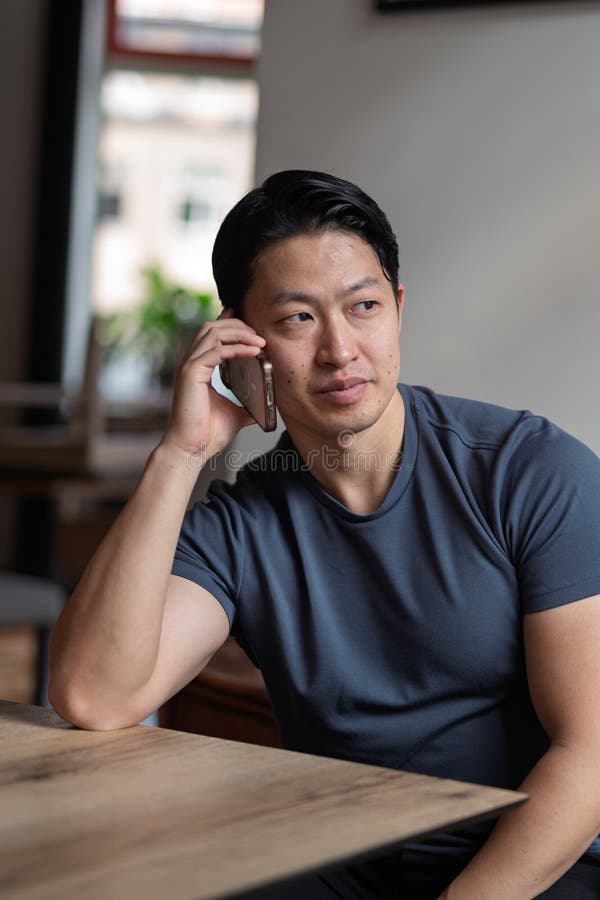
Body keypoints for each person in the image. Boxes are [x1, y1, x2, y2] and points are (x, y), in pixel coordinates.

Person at [48, 170, 600, 899]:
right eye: (297, 319)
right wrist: (180, 454)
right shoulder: (242, 524)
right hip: (337, 858)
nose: (340, 350)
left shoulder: (529, 472)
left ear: (397, 310)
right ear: (244, 344)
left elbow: (588, 753)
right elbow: (95, 696)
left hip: (530, 867)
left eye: (363, 307)